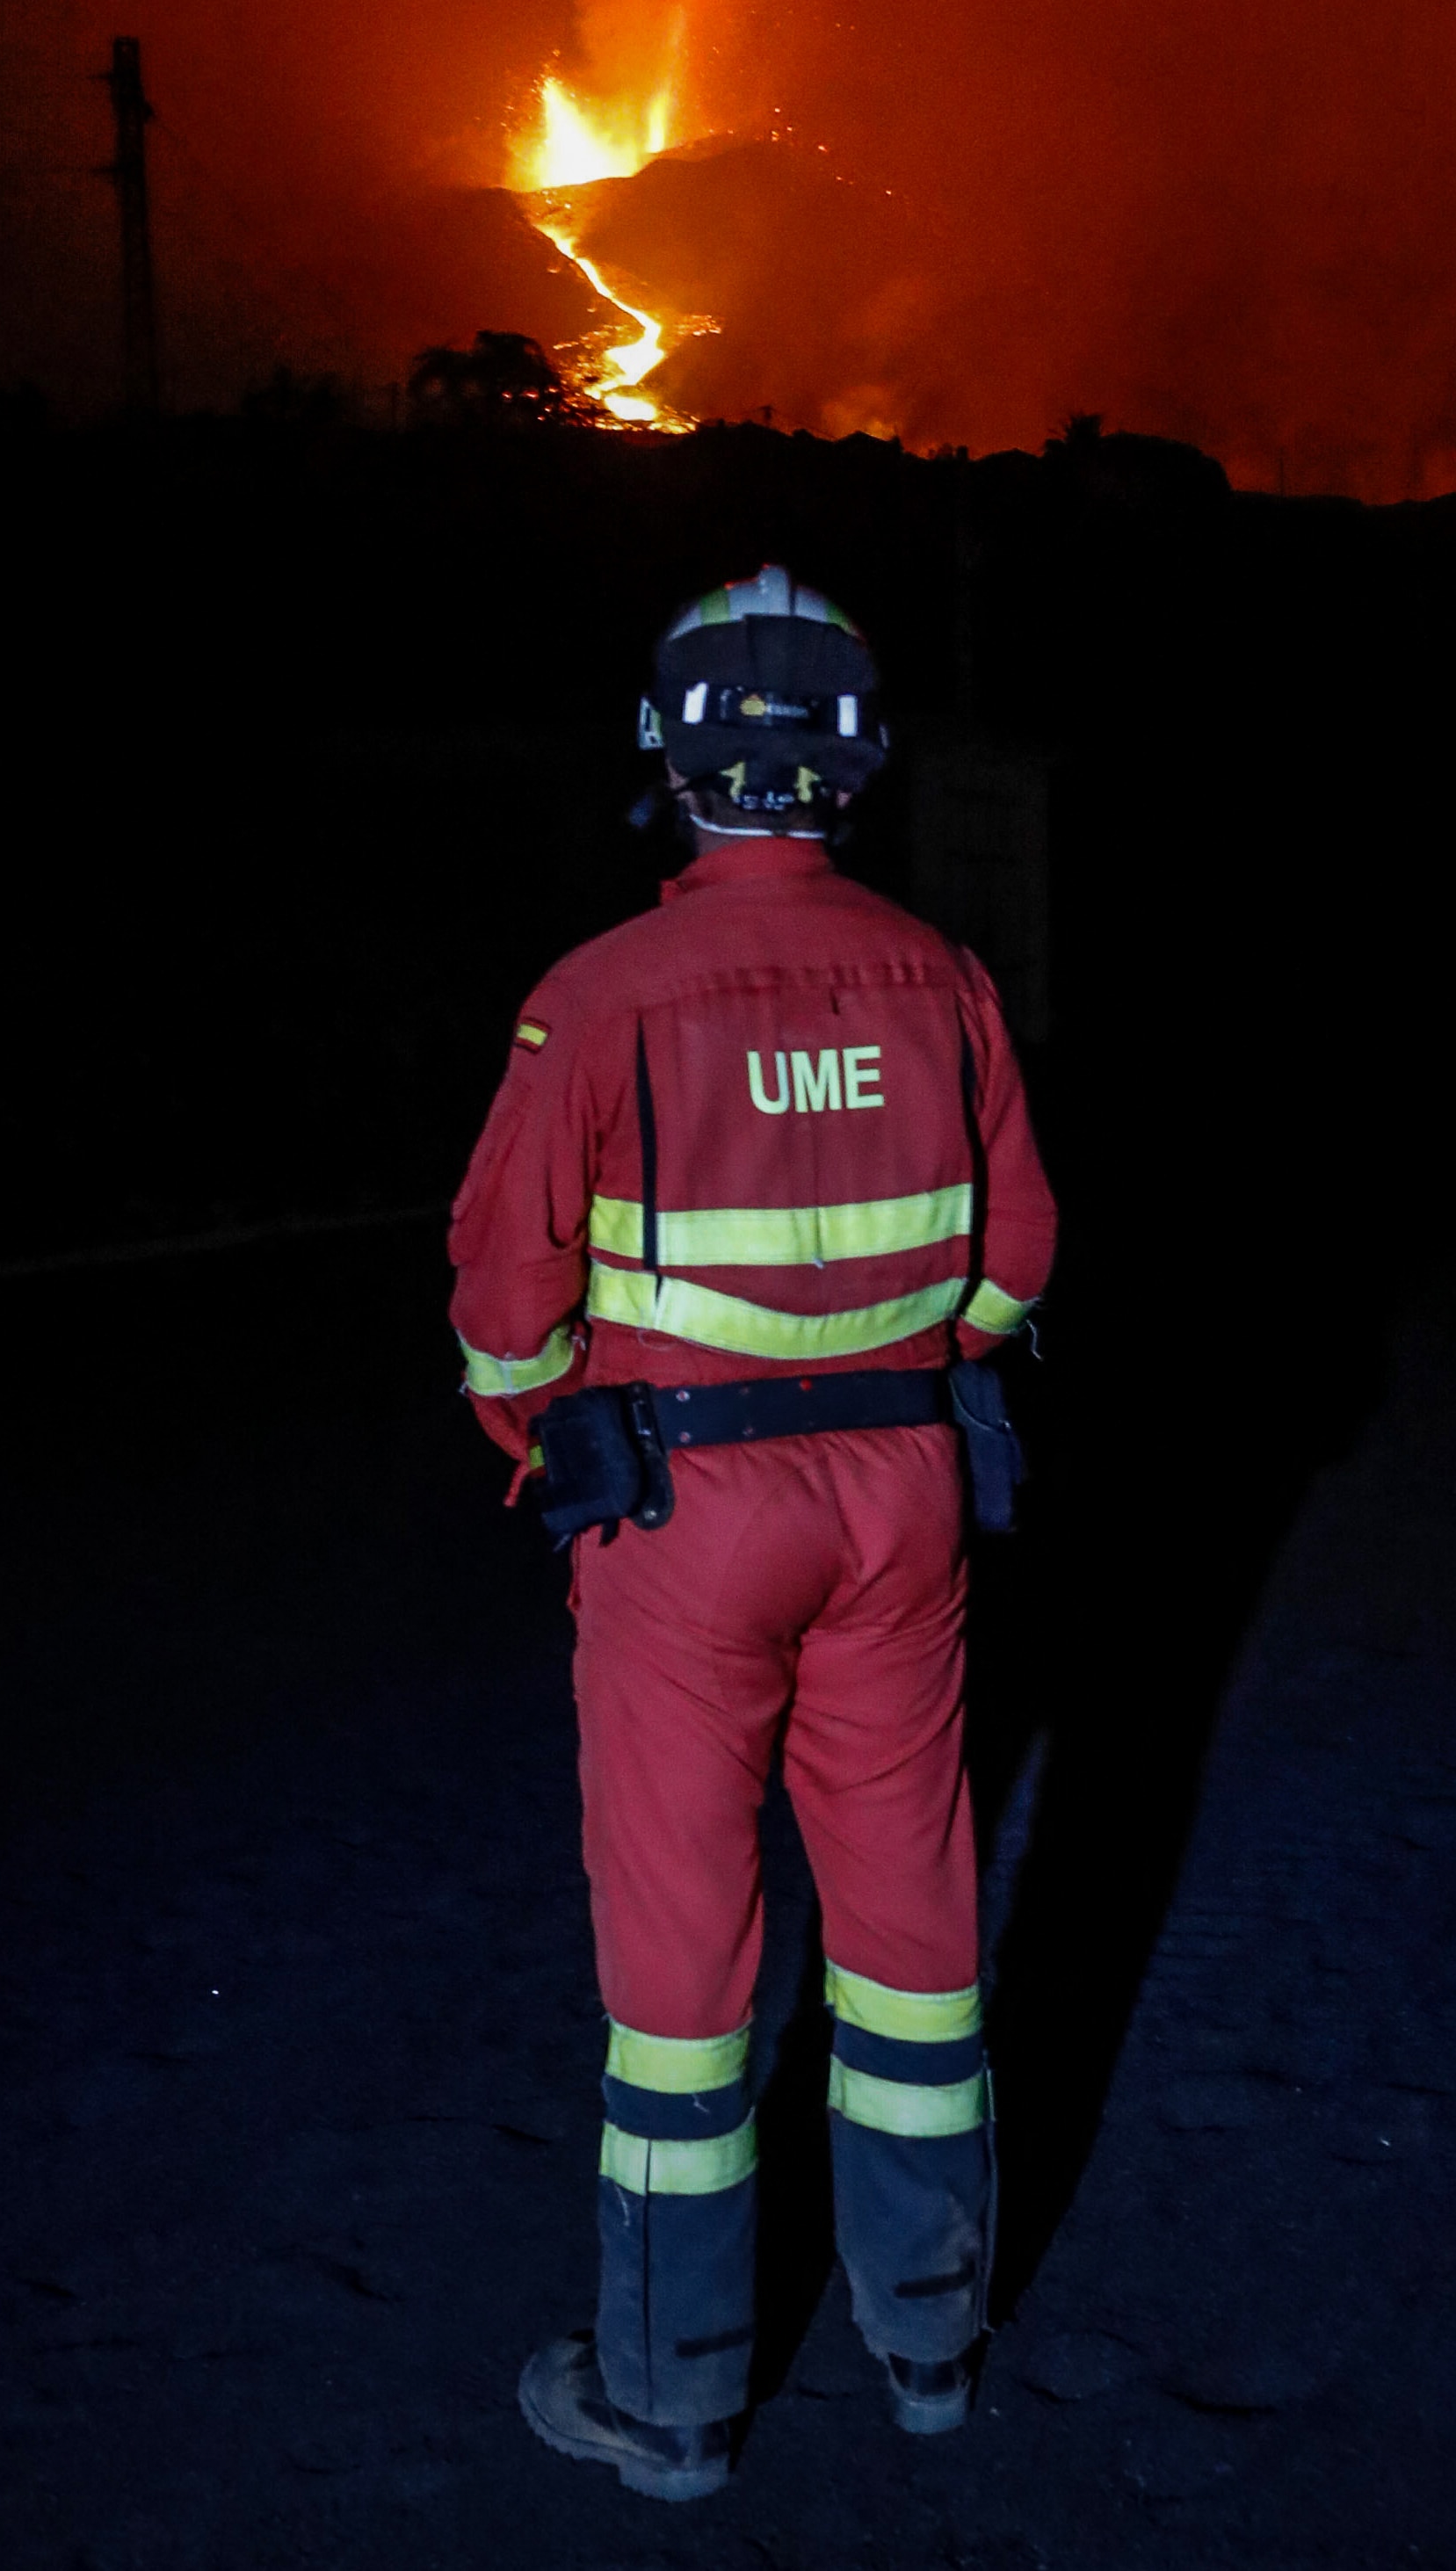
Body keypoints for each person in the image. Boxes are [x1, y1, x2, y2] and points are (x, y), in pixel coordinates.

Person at [446, 562, 1057, 2502]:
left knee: (684, 1956)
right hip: (903, 1505)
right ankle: (929, 2338)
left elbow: (496, 1301)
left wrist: (556, 1437)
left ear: (667, 748)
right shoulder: (940, 977)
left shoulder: (598, 996)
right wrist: (892, 1392)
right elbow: (1010, 1262)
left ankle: (673, 2388)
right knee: (909, 1932)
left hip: (683, 1517)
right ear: (857, 765)